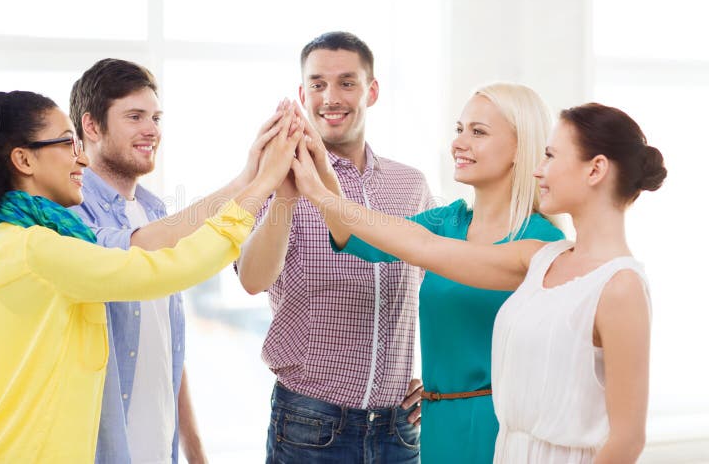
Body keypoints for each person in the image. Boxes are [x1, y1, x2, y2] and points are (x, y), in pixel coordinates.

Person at [291, 102, 666, 463]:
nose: (539, 170)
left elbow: (627, 440)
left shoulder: (620, 286)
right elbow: (423, 245)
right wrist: (320, 186)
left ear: (595, 169)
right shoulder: (537, 258)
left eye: (551, 156)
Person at [0, 90, 300, 462]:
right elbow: (165, 269)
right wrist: (261, 186)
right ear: (24, 159)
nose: (81, 157)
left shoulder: (6, 243)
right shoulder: (35, 250)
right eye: (67, 143)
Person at [319, 83, 564, 462]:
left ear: (521, 147)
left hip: (502, 428)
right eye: (459, 129)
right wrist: (315, 168)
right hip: (438, 422)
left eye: (478, 132)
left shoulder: (544, 241)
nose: (459, 143)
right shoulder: (446, 221)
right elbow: (359, 235)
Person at [68, 59, 286, 464]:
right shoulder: (73, 215)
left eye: (155, 117)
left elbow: (168, 350)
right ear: (92, 127)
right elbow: (143, 249)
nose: (152, 130)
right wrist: (255, 181)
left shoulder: (152, 211)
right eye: (134, 117)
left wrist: (196, 454)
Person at [236, 31, 433, 463]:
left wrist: (439, 375)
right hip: (311, 423)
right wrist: (285, 194)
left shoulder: (410, 186)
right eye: (318, 84)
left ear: (371, 90)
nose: (331, 97)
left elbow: (439, 284)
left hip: (399, 430)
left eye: (347, 82)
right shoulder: (274, 177)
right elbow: (252, 280)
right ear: (302, 93)